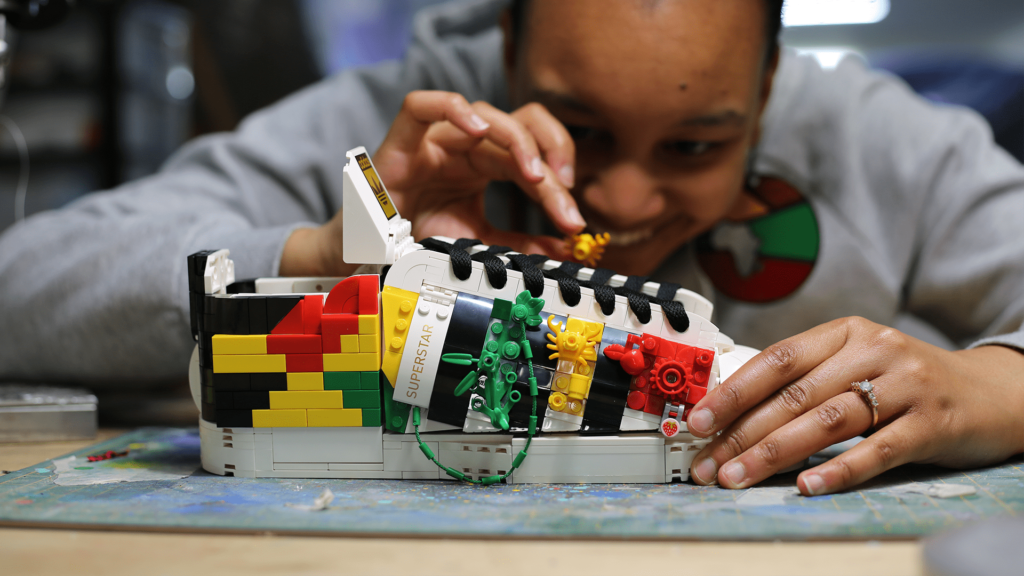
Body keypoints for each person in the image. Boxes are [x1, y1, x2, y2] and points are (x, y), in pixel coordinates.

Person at [1, 0, 1022, 496]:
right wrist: (331, 254)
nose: (621, 202)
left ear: (767, 93)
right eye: (577, 124)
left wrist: (993, 385)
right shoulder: (382, 129)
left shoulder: (884, 143)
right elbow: (22, 285)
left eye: (695, 145)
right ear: (502, 51)